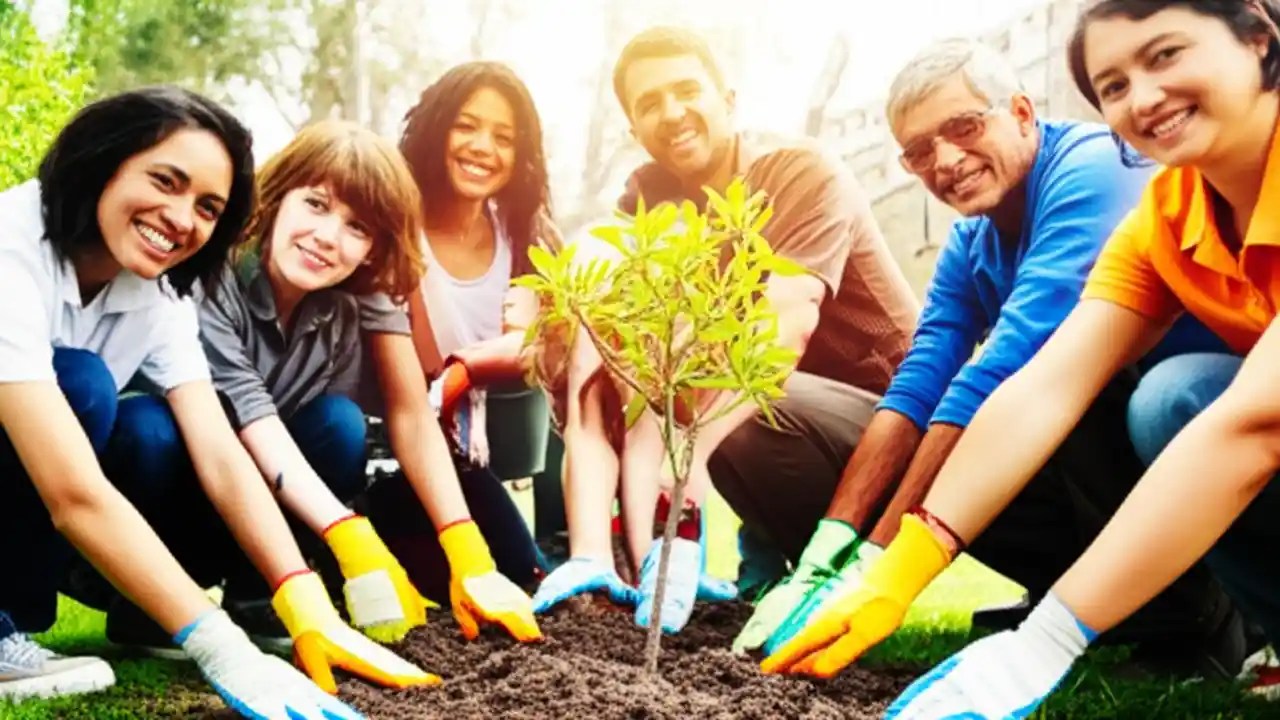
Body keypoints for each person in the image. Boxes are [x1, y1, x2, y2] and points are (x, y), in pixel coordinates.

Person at [764, 2, 1280, 716]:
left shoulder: (1094, 174)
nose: (1144, 97)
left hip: (1240, 441)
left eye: (1166, 55)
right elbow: (1042, 385)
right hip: (1229, 457)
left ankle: (1193, 623)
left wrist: (1047, 640)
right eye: (1115, 85)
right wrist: (897, 570)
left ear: (1258, 37)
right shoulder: (1168, 213)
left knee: (1176, 396)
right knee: (1148, 395)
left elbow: (1255, 420)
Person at [0, 86, 429, 717]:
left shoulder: (160, 290)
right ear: (105, 160)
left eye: (207, 206)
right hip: (56, 474)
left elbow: (222, 453)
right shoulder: (13, 249)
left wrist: (300, 591)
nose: (181, 218)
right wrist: (223, 648)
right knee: (84, 384)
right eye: (165, 181)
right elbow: (73, 495)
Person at [529, 25, 920, 634]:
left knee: (735, 396)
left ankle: (773, 553)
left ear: (729, 100)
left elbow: (780, 336)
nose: (673, 112)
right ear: (633, 130)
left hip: (894, 431)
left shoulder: (797, 172)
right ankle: (631, 574)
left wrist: (682, 476)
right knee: (626, 366)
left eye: (687, 90)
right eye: (649, 103)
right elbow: (637, 354)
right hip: (784, 429)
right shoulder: (650, 201)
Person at [180, 119, 537, 653]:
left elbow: (411, 414)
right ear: (278, 198)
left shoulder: (354, 285)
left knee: (338, 425)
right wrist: (351, 538)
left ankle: (258, 598)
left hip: (273, 488)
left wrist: (466, 549)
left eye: (358, 227)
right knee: (148, 431)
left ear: (373, 248)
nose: (328, 238)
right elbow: (253, 418)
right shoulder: (216, 278)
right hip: (186, 480)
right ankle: (145, 601)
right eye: (316, 205)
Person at [360, 60, 556, 597]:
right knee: (509, 579)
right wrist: (458, 374)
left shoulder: (525, 236)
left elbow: (545, 346)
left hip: (488, 455)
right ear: (436, 128)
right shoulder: (393, 227)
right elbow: (415, 377)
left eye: (503, 137)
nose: (482, 147)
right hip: (399, 452)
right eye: (465, 126)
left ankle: (560, 553)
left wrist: (477, 365)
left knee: (527, 579)